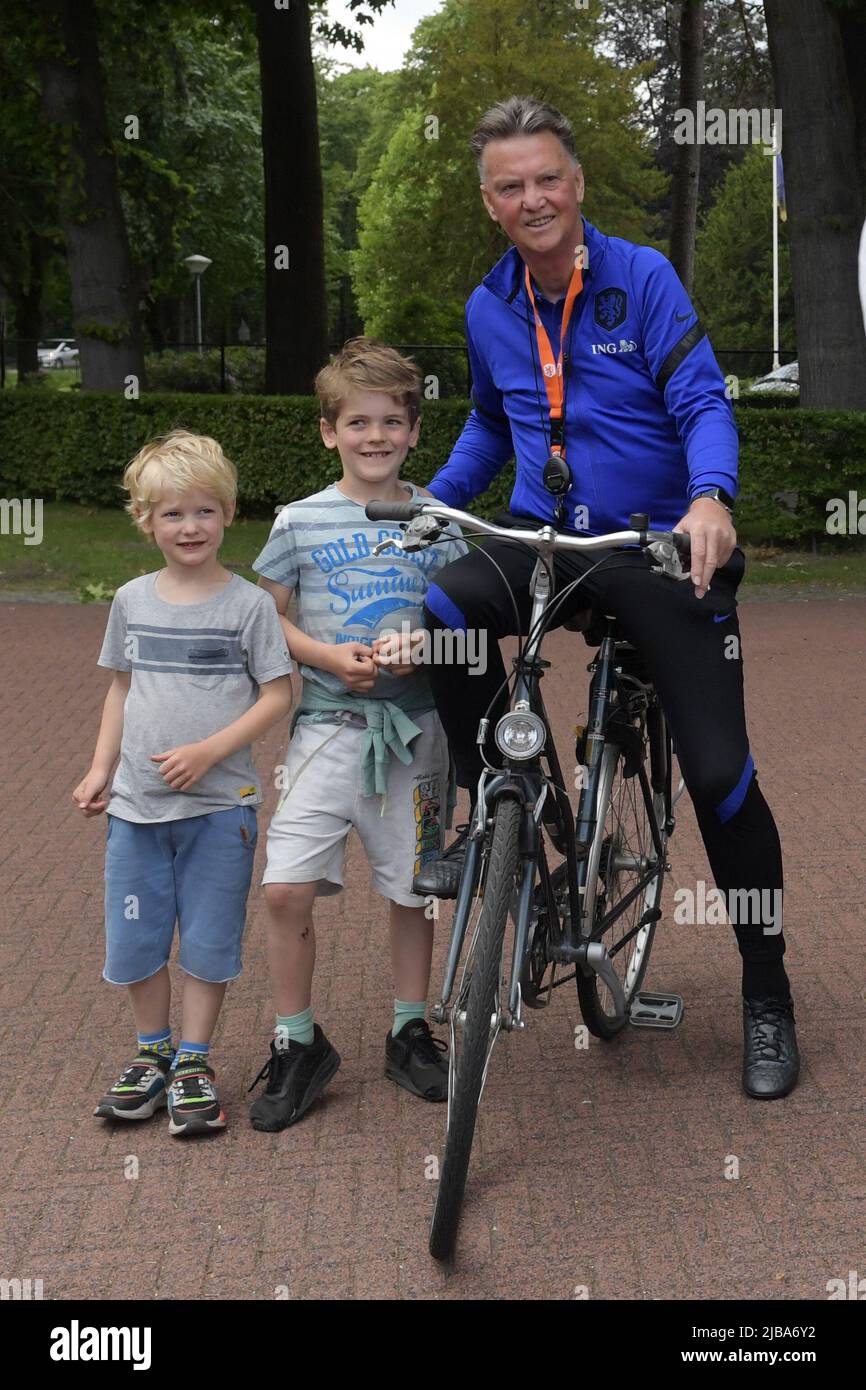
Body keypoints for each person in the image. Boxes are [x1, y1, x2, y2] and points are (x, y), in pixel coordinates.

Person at [413, 96, 800, 1100]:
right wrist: (432, 502)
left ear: (575, 183)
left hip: (655, 548)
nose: (532, 197)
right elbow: (491, 427)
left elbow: (700, 400)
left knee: (718, 775)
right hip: (546, 538)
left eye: (547, 178)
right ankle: (495, 809)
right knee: (446, 611)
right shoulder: (486, 304)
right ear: (489, 201)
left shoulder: (642, 278)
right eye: (510, 185)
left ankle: (765, 986)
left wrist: (708, 500)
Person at [247, 338, 466, 1132]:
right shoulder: (300, 521)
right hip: (327, 729)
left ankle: (410, 1028)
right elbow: (264, 613)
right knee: (283, 887)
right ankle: (298, 1040)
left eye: (391, 422)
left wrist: (427, 643)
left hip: (417, 733)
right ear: (327, 431)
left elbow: (471, 623)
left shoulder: (440, 520)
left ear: (413, 432)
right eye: (357, 422)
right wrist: (323, 653)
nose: (375, 437)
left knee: (416, 890)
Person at [74, 431, 294, 1136]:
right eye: (172, 514)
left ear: (228, 513)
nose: (189, 526)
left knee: (206, 941)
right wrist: (101, 767)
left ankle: (195, 1060)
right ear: (145, 522)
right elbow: (120, 690)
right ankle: (151, 1052)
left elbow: (277, 696)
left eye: (203, 510)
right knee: (136, 942)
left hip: (218, 812)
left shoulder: (249, 608)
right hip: (136, 813)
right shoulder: (132, 600)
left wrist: (209, 751)